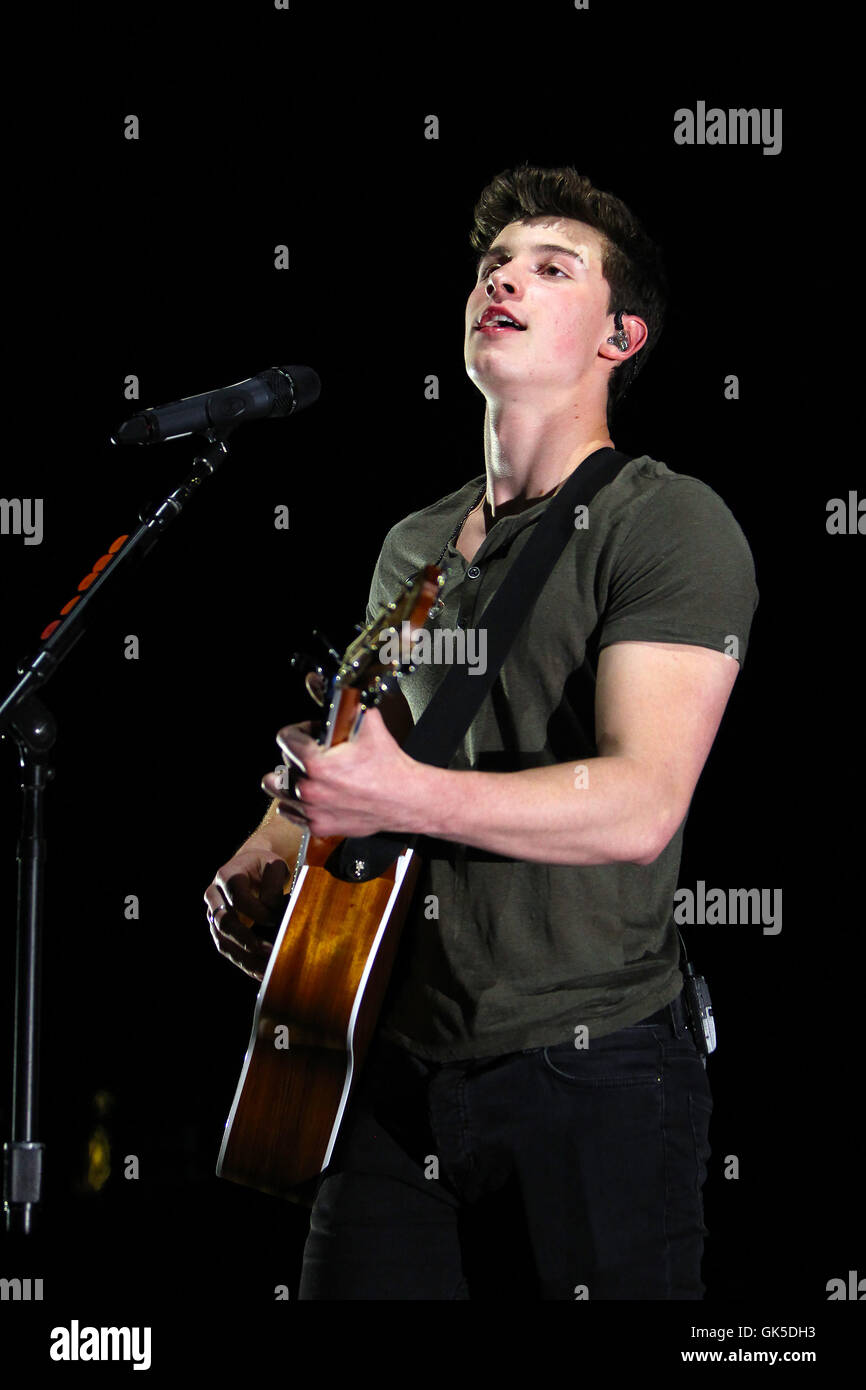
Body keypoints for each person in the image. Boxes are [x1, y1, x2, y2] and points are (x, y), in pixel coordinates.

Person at [205, 164, 758, 1300]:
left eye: (550, 267)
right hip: (394, 1065)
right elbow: (364, 741)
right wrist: (267, 845)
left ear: (620, 335)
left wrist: (396, 799)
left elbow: (638, 802)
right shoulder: (413, 543)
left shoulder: (668, 520)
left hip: (592, 1070)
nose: (503, 278)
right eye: (491, 266)